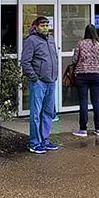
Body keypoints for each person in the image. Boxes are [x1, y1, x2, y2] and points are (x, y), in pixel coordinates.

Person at [21, 16, 59, 154]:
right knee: (36, 114)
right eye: (42, 25)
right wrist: (34, 78)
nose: (45, 27)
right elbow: (25, 61)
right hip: (39, 82)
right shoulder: (31, 40)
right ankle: (35, 143)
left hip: (51, 81)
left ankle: (45, 140)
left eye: (47, 25)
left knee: (48, 113)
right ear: (36, 26)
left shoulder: (51, 39)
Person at [71, 24, 99, 137]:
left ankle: (83, 129)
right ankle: (98, 128)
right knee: (96, 101)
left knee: (83, 102)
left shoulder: (81, 43)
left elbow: (75, 59)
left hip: (82, 74)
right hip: (97, 74)